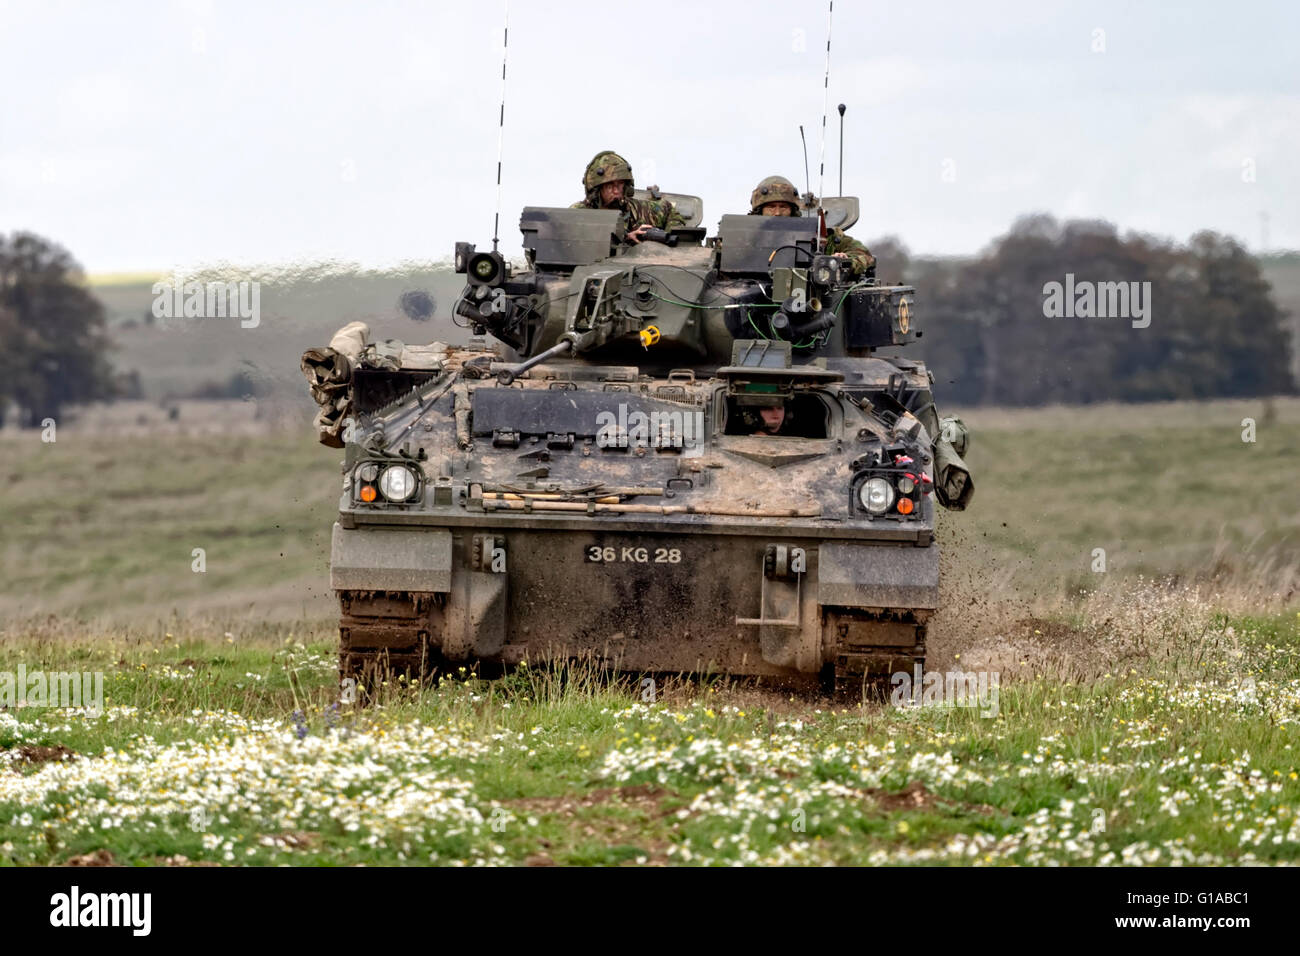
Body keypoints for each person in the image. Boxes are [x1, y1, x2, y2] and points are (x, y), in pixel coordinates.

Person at [748, 175, 875, 277]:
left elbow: (864, 255)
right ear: (759, 210)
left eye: (783, 207)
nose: (777, 213)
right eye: (771, 207)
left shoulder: (819, 234)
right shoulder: (744, 235)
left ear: (792, 210)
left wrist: (842, 261)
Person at [572, 150, 685, 243]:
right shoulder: (579, 214)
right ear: (597, 189)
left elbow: (668, 208)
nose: (616, 191)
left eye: (620, 184)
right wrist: (626, 238)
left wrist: (668, 242)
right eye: (609, 186)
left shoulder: (638, 209)